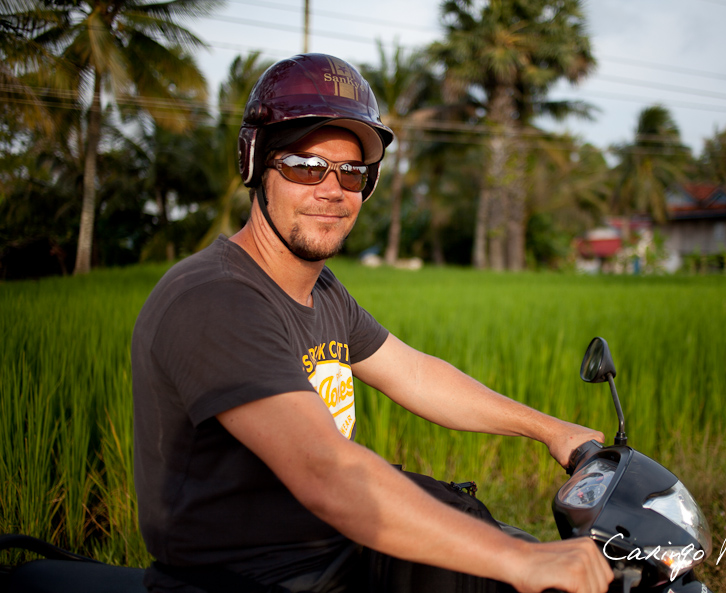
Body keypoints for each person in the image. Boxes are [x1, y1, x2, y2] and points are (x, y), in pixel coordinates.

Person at [131, 53, 613, 593]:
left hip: (325, 552)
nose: (332, 190)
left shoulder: (323, 291)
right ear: (256, 166)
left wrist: (550, 430)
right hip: (252, 577)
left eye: (352, 172)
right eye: (305, 166)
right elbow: (325, 472)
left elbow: (415, 374)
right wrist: (518, 560)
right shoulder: (216, 299)